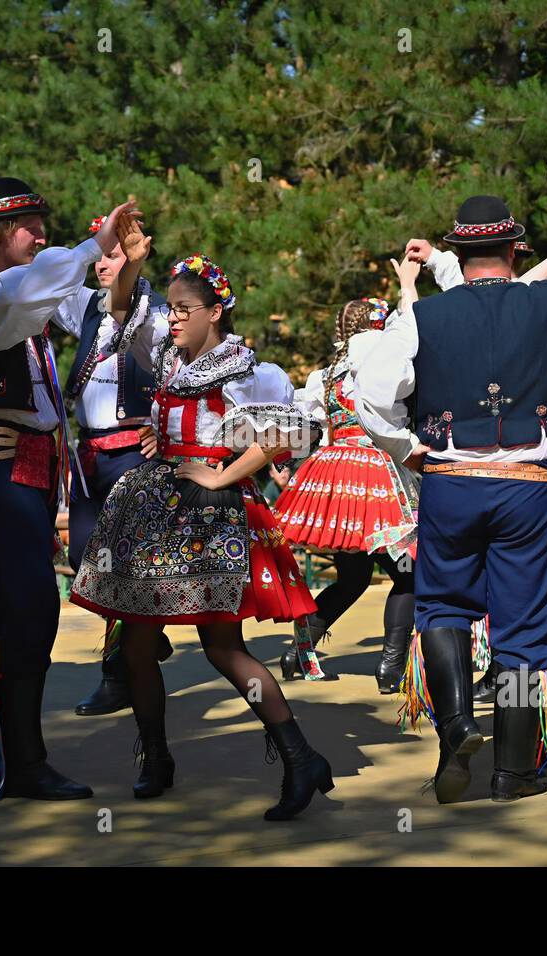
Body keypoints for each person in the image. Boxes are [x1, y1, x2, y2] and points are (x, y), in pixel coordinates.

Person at [358, 190, 547, 804]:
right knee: (525, 631)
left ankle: (457, 724)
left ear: (458, 252)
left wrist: (406, 447)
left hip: (451, 484)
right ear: (515, 250)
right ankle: (513, 772)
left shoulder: (421, 317)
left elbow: (371, 392)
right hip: (527, 488)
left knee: (442, 610)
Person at [70, 219, 333, 821]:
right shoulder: (162, 354)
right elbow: (121, 305)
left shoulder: (246, 370)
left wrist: (220, 473)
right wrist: (130, 258)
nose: (175, 317)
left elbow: (288, 433)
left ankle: (299, 756)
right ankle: (155, 757)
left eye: (186, 308)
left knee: (221, 646)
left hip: (210, 515)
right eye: (172, 308)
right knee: (135, 644)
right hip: (151, 511)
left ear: (217, 312)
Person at [0, 177, 134, 800]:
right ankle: (15, 759)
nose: (42, 235)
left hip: (29, 468)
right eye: (31, 226)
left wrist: (119, 268)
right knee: (29, 606)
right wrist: (86, 246)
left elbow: (101, 317)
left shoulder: (22, 297)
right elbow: (27, 292)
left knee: (10, 605)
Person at [272, 296, 419, 691]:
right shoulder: (384, 364)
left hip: (337, 474)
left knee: (353, 577)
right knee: (409, 577)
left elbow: (308, 425)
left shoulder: (327, 374)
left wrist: (286, 464)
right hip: (378, 472)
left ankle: (298, 651)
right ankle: (390, 667)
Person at [66, 214, 173, 718]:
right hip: (88, 457)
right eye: (100, 255)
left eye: (114, 255)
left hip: (135, 454)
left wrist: (128, 266)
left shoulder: (154, 311)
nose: (104, 264)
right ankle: (146, 636)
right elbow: (32, 287)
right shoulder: (82, 305)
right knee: (84, 558)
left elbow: (123, 302)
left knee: (125, 565)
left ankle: (117, 673)